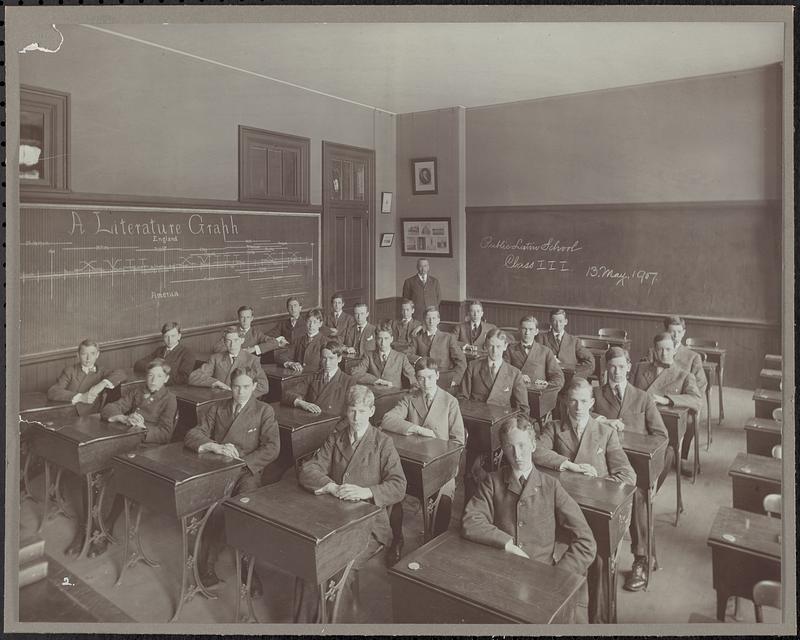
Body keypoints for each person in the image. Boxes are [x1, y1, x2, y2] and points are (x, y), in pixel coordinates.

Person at [462, 414, 596, 624]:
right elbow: (471, 520)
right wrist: (507, 544)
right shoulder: (492, 482)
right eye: (510, 447)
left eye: (523, 445)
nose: (517, 454)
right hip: (500, 574)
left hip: (542, 579)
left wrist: (557, 576)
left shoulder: (551, 486)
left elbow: (586, 542)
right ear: (502, 449)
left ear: (534, 446)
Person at [297, 385, 406, 621]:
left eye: (362, 411)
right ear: (346, 411)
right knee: (310, 563)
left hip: (370, 525)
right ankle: (305, 626)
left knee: (337, 566)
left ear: (372, 411)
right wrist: (331, 486)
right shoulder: (336, 437)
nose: (356, 417)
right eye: (352, 411)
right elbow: (309, 469)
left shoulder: (383, 443)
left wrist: (366, 491)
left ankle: (335, 623)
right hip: (336, 519)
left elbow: (399, 485)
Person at [533, 377, 636, 623]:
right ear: (565, 402)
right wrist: (571, 465)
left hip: (594, 511)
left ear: (591, 403)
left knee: (600, 555)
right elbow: (536, 451)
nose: (578, 407)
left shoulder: (606, 433)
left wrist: (597, 481)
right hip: (560, 508)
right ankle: (545, 608)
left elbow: (627, 475)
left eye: (583, 401)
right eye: (573, 401)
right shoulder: (554, 428)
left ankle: (599, 622)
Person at [184, 368, 280, 593]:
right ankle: (206, 564)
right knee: (215, 510)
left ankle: (247, 566)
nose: (240, 392)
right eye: (236, 386)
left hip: (247, 471)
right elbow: (193, 434)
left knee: (245, 512)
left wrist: (242, 462)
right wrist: (214, 446)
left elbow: (272, 447)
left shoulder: (264, 411)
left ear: (254, 387)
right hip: (219, 470)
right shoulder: (218, 407)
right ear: (231, 385)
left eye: (246, 387)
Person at [592, 347, 671, 592]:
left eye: (621, 367)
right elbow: (578, 416)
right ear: (606, 369)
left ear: (628, 367)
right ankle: (597, 558)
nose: (616, 372)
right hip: (604, 464)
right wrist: (602, 420)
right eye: (612, 367)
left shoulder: (643, 398)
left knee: (636, 496)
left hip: (636, 467)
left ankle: (641, 559)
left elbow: (661, 437)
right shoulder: (595, 395)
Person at [381, 357, 465, 564]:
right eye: (420, 378)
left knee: (443, 501)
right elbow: (387, 419)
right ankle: (397, 539)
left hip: (441, 465)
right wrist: (417, 429)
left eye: (429, 377)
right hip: (413, 462)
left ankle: (434, 544)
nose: (425, 383)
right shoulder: (410, 398)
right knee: (392, 489)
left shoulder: (450, 402)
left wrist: (446, 463)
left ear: (437, 376)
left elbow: (458, 441)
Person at [96, 359, 178, 557]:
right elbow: (110, 408)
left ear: (166, 378)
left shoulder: (170, 399)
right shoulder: (137, 391)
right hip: (128, 440)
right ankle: (94, 522)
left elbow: (165, 433)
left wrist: (143, 429)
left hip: (150, 449)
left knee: (118, 475)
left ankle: (104, 527)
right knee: (102, 464)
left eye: (159, 376)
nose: (153, 380)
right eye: (150, 375)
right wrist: (123, 417)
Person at [458, 328, 529, 501]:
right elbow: (461, 399)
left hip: (502, 434)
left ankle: (496, 508)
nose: (494, 350)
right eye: (490, 346)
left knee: (499, 478)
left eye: (498, 346)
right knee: (471, 475)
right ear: (485, 346)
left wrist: (514, 432)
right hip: (475, 432)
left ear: (505, 346)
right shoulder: (473, 367)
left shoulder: (514, 373)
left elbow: (523, 409)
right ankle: (470, 508)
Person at [632, 332, 703, 476]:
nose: (664, 354)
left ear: (675, 350)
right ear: (654, 350)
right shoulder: (639, 368)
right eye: (660, 349)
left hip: (662, 424)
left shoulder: (684, 375)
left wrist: (667, 400)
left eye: (668, 349)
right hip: (636, 421)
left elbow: (696, 399)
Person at [662, 316, 708, 461]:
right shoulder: (656, 350)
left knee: (689, 422)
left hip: (681, 403)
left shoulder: (693, 357)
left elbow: (700, 385)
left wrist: (682, 400)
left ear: (683, 333)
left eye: (678, 332)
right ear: (666, 332)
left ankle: (680, 458)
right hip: (659, 399)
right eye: (671, 331)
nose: (675, 335)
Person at [47, 339, 127, 416]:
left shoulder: (101, 371)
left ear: (97, 355)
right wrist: (81, 397)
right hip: (72, 414)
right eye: (84, 354)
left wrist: (101, 384)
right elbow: (53, 391)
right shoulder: (70, 371)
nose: (88, 358)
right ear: (78, 355)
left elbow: (121, 374)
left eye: (92, 354)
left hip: (94, 415)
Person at [188, 326, 268, 396]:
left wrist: (239, 395)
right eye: (228, 341)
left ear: (242, 340)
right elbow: (193, 377)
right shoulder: (216, 358)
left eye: (236, 340)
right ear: (224, 342)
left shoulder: (252, 360)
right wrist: (216, 382)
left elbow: (263, 386)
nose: (232, 345)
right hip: (219, 400)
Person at [283, 341, 355, 415]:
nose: (327, 363)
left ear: (339, 359)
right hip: (311, 419)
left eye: (331, 358)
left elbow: (351, 412)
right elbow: (287, 394)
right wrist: (301, 403)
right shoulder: (313, 377)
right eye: (324, 358)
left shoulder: (349, 381)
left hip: (333, 421)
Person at [409, 306, 466, 388]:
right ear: (424, 320)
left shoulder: (448, 337)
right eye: (428, 318)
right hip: (424, 380)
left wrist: (454, 380)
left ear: (438, 320)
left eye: (434, 318)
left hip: (444, 380)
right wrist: (419, 359)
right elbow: (408, 354)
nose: (431, 321)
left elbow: (461, 361)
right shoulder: (418, 338)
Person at [504, 314, 565, 390]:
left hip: (538, 393)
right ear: (519, 330)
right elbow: (503, 372)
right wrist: (518, 377)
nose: (527, 333)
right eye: (524, 329)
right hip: (515, 391)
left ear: (536, 331)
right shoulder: (510, 350)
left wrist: (547, 384)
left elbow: (558, 377)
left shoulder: (546, 351)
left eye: (531, 329)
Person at [351, 323, 415, 389]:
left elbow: (412, 377)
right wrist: (377, 381)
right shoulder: (369, 355)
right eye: (380, 339)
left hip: (395, 393)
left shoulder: (401, 357)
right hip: (375, 393)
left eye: (386, 338)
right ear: (376, 339)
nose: (383, 343)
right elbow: (356, 373)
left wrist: (414, 388)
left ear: (391, 339)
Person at [536, 309, 595, 378]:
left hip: (570, 378)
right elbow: (535, 360)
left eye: (560, 321)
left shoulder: (574, 341)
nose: (558, 325)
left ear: (566, 322)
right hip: (548, 377)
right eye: (554, 321)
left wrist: (575, 374)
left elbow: (590, 362)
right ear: (550, 322)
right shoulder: (541, 338)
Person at [133, 322, 196, 386]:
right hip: (154, 384)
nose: (169, 340)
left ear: (179, 336)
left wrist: (160, 378)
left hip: (173, 388)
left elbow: (183, 378)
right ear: (162, 337)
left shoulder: (187, 353)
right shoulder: (159, 350)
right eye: (166, 336)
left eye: (173, 336)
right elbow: (138, 364)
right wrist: (154, 368)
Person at [212, 305, 286, 355]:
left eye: (247, 317)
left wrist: (253, 349)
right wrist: (237, 351)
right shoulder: (232, 331)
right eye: (242, 317)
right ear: (238, 318)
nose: (245, 320)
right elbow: (217, 348)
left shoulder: (256, 333)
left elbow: (274, 342)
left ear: (252, 318)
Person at [275, 308, 327, 373]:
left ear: (320, 324)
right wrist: (290, 363)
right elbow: (281, 356)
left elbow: (325, 366)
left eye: (315, 322)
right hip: (298, 375)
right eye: (309, 321)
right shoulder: (298, 340)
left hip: (315, 376)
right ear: (305, 322)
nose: (311, 325)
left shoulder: (324, 342)